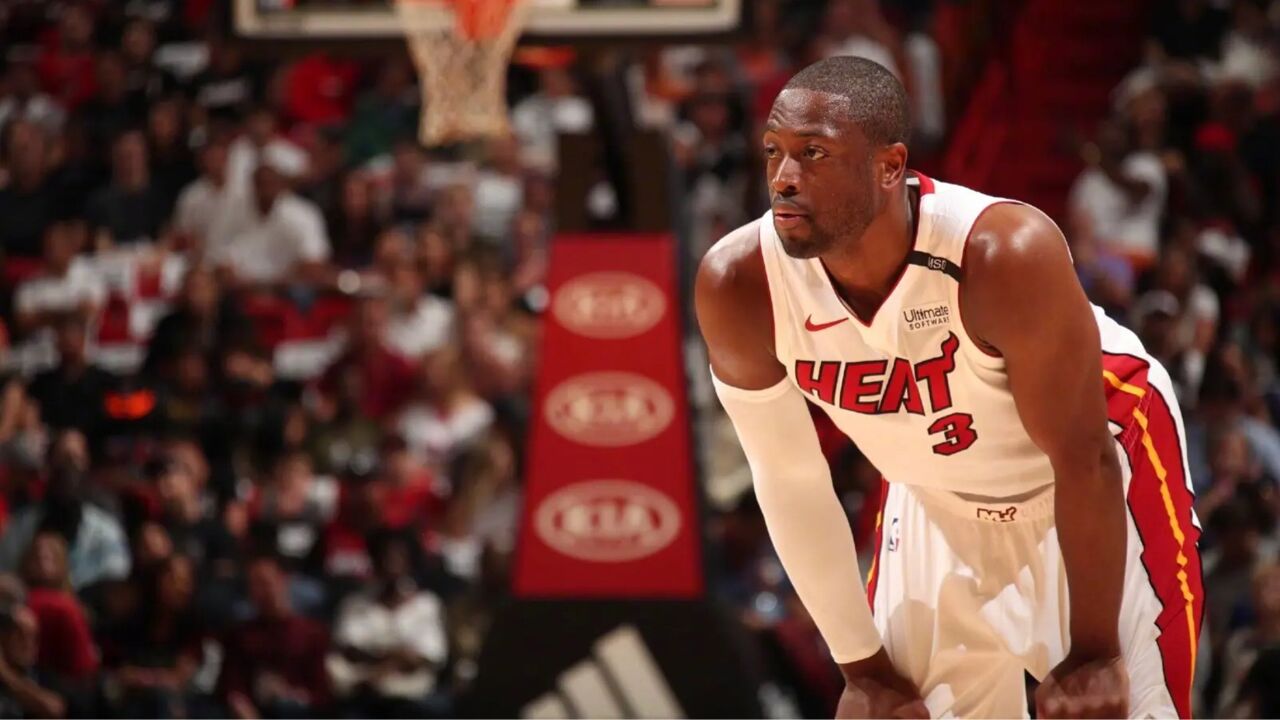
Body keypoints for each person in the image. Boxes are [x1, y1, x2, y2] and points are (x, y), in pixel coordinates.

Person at [695, 57, 1202, 718]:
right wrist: (861, 669)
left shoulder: (1003, 253)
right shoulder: (739, 284)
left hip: (1093, 475)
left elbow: (1084, 459)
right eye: (773, 151)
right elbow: (789, 478)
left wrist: (1096, 652)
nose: (783, 178)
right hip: (931, 494)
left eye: (813, 153)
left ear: (889, 166)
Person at [217, 554, 331, 719]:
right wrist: (242, 707)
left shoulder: (311, 633)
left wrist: (290, 694)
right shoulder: (240, 635)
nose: (261, 592)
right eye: (254, 585)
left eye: (265, 582)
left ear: (283, 580)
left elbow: (322, 694)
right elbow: (231, 685)